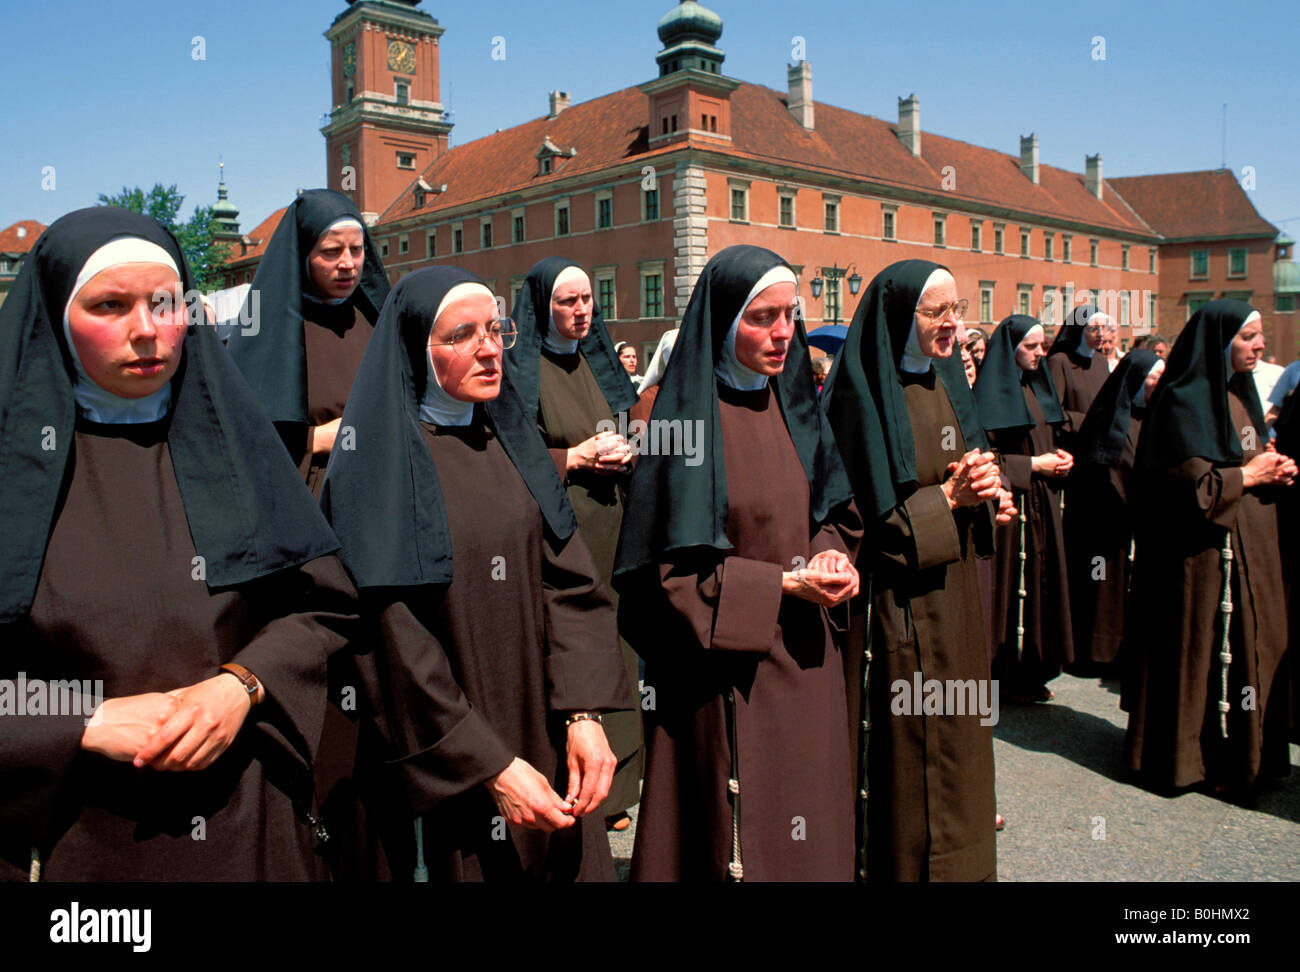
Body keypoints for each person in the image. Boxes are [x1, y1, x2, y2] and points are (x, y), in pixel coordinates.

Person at [0, 207, 358, 881]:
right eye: (111, 305)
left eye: (166, 304)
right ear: (54, 316)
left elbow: (324, 607)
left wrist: (242, 685)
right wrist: (77, 720)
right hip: (77, 839)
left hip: (248, 822)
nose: (147, 332)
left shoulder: (233, 441)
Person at [321, 266, 633, 881]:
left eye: (495, 329)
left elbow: (568, 582)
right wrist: (489, 764)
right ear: (416, 347)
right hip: (446, 758)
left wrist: (585, 716)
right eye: (462, 335)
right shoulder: (376, 466)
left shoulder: (512, 439)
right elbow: (389, 639)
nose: (489, 348)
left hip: (550, 731)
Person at [615, 245, 861, 881]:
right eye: (762, 318)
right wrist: (781, 584)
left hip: (806, 660)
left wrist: (834, 555)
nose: (783, 334)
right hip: (723, 672)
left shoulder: (796, 407)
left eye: (791, 315)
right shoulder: (687, 426)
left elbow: (834, 512)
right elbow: (671, 576)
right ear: (723, 322)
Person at [823, 259, 1014, 882]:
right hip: (895, 607)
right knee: (909, 751)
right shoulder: (859, 397)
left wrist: (991, 490)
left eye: (958, 310)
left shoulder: (946, 381)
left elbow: (969, 470)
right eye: (937, 312)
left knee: (958, 737)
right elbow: (862, 525)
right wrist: (951, 501)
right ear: (902, 318)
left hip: (953, 596)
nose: (953, 323)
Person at [1124, 301, 1296, 795]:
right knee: (1200, 652)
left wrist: (1272, 467)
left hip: (1251, 550)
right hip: (1200, 560)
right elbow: (1183, 486)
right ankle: (1195, 758)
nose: (1260, 346)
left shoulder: (1241, 396)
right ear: (1220, 343)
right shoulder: (1184, 401)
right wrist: (1249, 474)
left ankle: (1249, 755)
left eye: (1260, 336)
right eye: (1249, 338)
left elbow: (1247, 452)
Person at [506, 257, 643, 833]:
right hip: (560, 535)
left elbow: (628, 421)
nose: (582, 311)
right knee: (569, 643)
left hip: (613, 529)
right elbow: (514, 456)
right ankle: (569, 778)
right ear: (544, 307)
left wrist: (628, 448)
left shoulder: (597, 362)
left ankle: (619, 786)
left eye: (588, 299)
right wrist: (577, 457)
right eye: (568, 302)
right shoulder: (521, 370)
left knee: (617, 646)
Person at [226, 188, 388, 499]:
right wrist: (315, 439)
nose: (348, 264)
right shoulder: (270, 330)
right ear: (303, 254)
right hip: (312, 493)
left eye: (356, 249)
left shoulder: (376, 320)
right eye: (331, 251)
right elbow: (242, 433)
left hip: (383, 485)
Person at [974, 316, 1074, 703]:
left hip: (1042, 504)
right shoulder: (989, 393)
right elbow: (985, 455)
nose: (1039, 353)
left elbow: (1048, 436)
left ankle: (1031, 671)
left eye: (1042, 345)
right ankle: (998, 677)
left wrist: (1062, 459)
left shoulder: (1036, 388)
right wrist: (1032, 466)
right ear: (1010, 348)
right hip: (1009, 506)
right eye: (1030, 346)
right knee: (1006, 591)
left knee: (1038, 585)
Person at [1066, 350, 1164, 673]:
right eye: (1154, 379)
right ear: (1137, 381)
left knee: (1116, 585)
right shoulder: (1109, 417)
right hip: (1100, 519)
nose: (1159, 386)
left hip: (1124, 519)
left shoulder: (1147, 417)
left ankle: (1112, 646)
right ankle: (1093, 649)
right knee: (1099, 582)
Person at [1046, 305, 1110, 445]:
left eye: (1104, 327)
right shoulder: (1059, 362)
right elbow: (1052, 410)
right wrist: (1086, 421)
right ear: (1079, 330)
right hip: (1072, 442)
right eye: (1093, 328)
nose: (1101, 334)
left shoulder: (1102, 361)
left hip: (1099, 441)